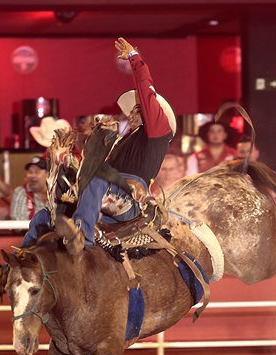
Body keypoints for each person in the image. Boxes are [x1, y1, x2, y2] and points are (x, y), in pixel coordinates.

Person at [21, 37, 176, 251]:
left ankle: (82, 238)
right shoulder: (124, 141)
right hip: (108, 196)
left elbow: (146, 91)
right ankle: (24, 257)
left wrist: (135, 59)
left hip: (130, 200)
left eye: (137, 110)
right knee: (44, 215)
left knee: (97, 180)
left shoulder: (157, 132)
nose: (130, 114)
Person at [10, 155, 48, 221]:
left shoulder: (56, 194)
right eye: (30, 172)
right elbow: (17, 220)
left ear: (48, 174)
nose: (33, 175)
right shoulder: (20, 192)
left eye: (37, 172)